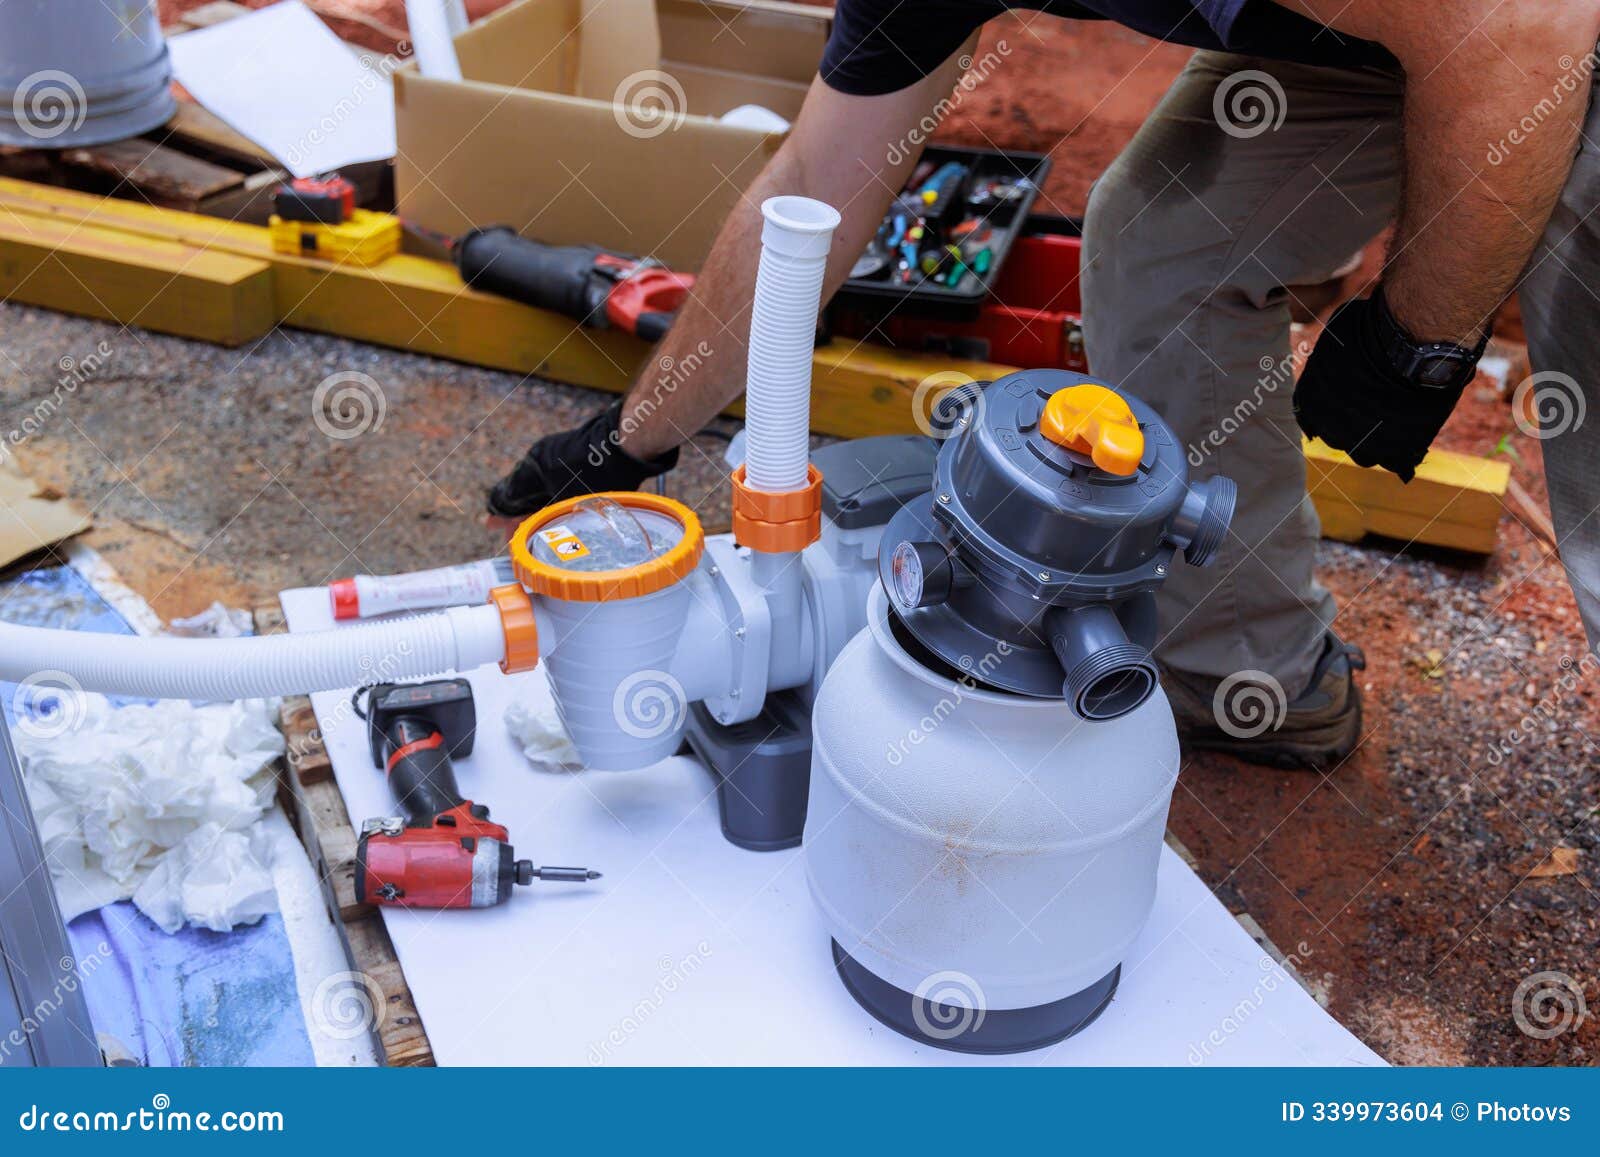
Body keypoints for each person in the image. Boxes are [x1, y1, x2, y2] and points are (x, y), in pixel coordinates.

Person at [487, 0, 1600, 769]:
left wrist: (1419, 335)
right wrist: (634, 439)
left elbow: (1528, 33)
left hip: (1547, 41)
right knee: (1167, 238)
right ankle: (1250, 683)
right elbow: (816, 181)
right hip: (1414, 34)